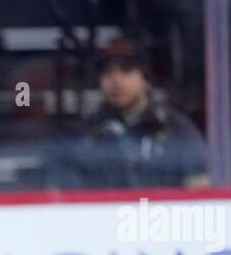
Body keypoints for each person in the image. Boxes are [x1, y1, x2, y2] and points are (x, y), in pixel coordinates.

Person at [56, 39, 209, 189]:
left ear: (145, 79)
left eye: (126, 71)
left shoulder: (177, 129)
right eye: (107, 73)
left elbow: (200, 192)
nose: (115, 80)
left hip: (162, 213)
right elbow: (68, 195)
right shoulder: (85, 134)